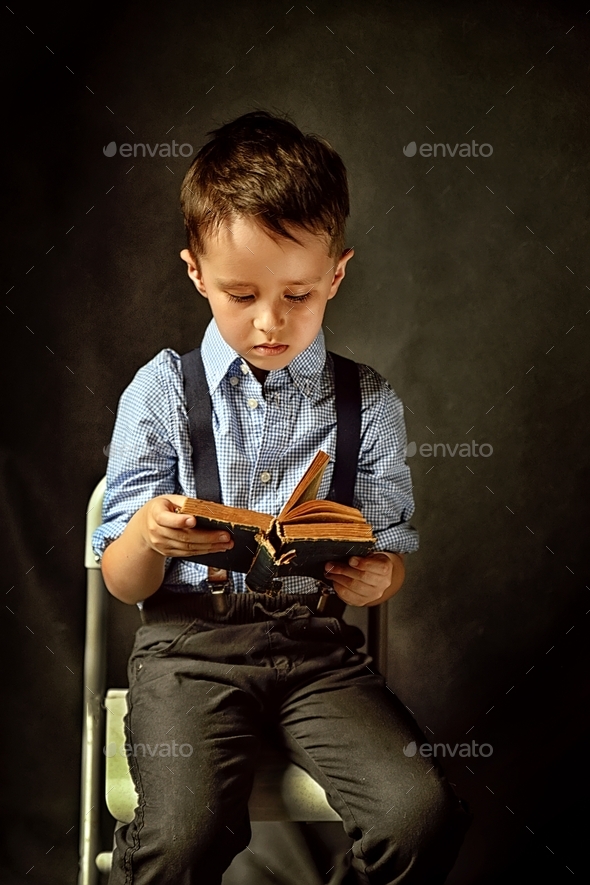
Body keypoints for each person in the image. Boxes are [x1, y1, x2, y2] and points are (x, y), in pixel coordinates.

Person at [92, 110, 472, 884]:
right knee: (183, 839)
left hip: (317, 655)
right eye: (241, 294)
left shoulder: (367, 399)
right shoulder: (161, 392)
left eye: (298, 294)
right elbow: (119, 580)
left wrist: (379, 577)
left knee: (420, 812)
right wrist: (148, 538)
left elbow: (386, 555)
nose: (270, 322)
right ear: (196, 273)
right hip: (187, 653)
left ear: (336, 273)